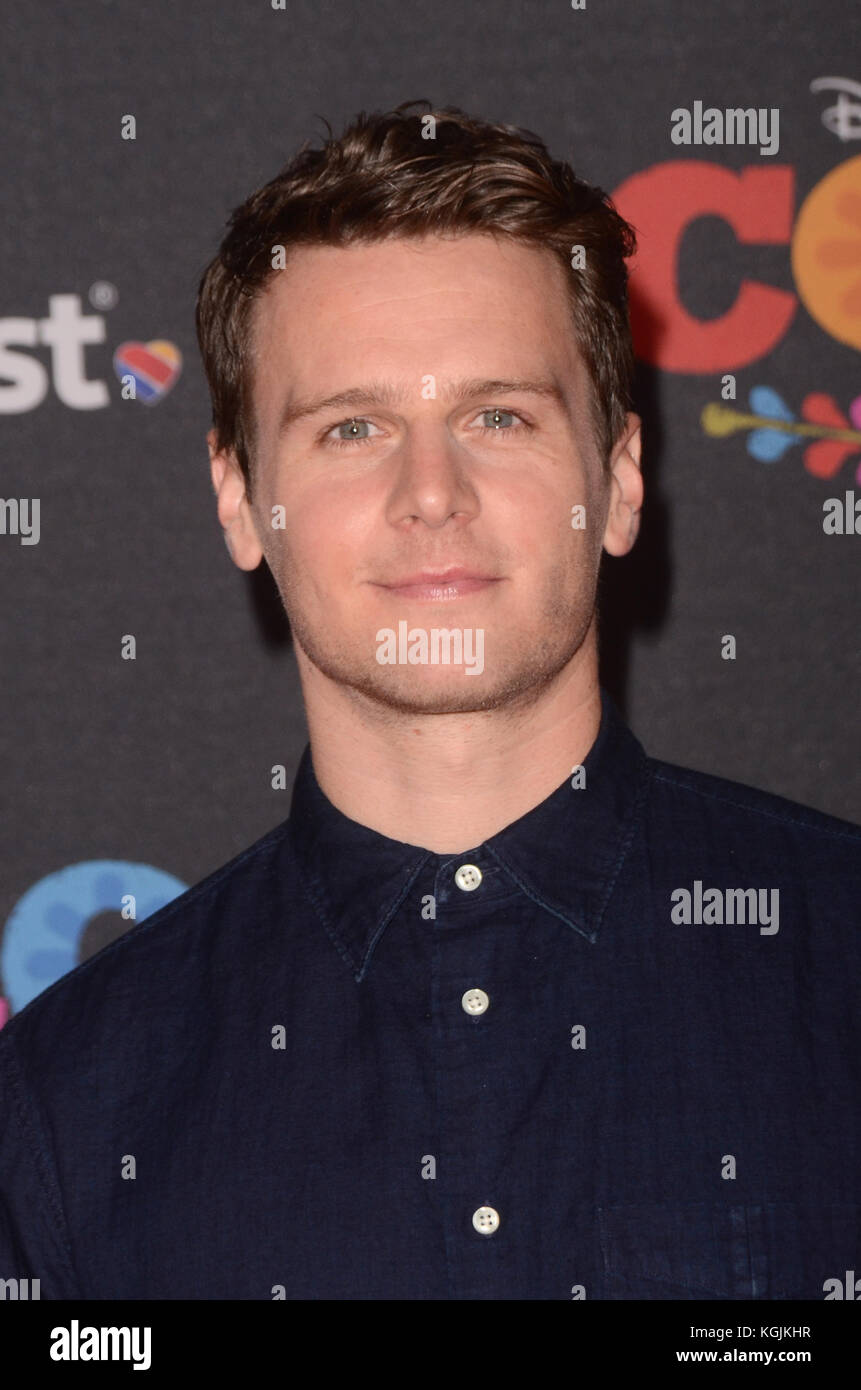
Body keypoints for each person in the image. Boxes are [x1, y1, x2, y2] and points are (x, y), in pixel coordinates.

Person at [1, 102, 858, 1301]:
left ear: (617, 478)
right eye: (353, 427)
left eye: (496, 416)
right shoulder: (63, 1105)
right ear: (241, 499)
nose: (431, 491)